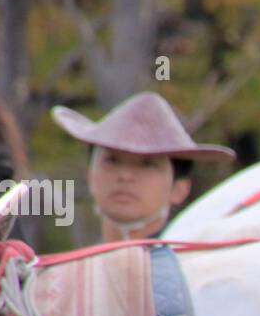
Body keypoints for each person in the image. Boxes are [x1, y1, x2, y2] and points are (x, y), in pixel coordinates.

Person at [51, 91, 234, 241]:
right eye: (112, 161)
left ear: (179, 189)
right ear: (90, 175)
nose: (125, 176)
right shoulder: (70, 275)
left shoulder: (185, 274)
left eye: (148, 165)